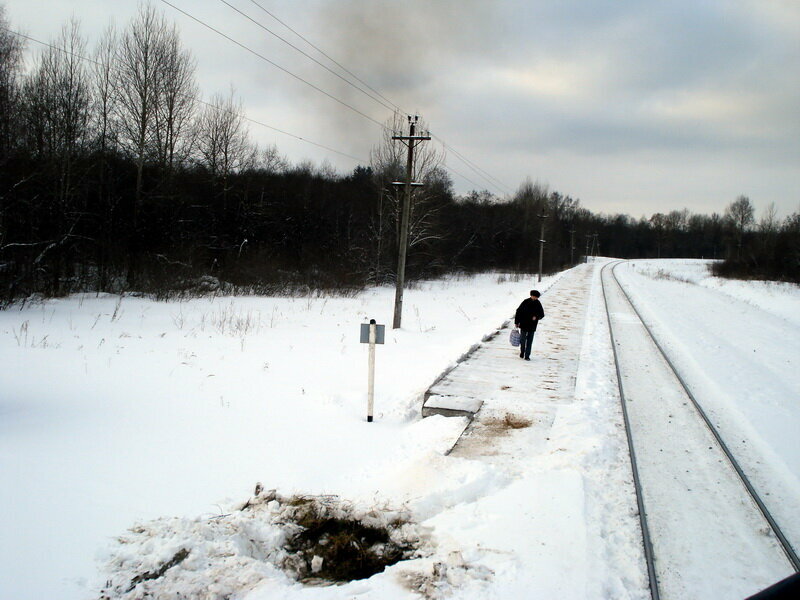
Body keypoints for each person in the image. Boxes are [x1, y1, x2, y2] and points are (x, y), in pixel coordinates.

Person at [515, 290, 544, 360]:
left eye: (536, 297)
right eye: (534, 296)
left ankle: (527, 356)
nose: (535, 298)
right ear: (531, 295)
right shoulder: (525, 301)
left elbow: (542, 314)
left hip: (532, 325)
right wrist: (516, 322)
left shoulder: (538, 303)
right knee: (522, 340)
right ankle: (522, 352)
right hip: (524, 324)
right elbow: (518, 311)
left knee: (529, 341)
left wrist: (536, 317)